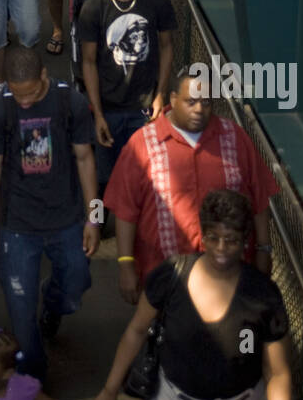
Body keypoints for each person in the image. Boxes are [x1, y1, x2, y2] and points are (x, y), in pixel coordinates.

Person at [88, 190, 292, 400]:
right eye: (213, 237)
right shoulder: (171, 276)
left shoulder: (263, 295)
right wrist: (109, 391)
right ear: (202, 235)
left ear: (245, 241)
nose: (221, 248)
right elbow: (136, 330)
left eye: (231, 240)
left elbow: (278, 372)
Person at [0, 47, 100, 384]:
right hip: (19, 225)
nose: (25, 102)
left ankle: (54, 302)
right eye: (18, 94)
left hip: (66, 219)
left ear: (45, 76)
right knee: (20, 310)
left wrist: (94, 218)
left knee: (76, 284)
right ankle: (32, 377)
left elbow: (86, 159)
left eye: (30, 93)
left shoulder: (70, 103)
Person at [105, 68, 278, 299]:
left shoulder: (235, 138)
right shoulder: (142, 144)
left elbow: (260, 197)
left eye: (206, 102)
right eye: (191, 101)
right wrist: (125, 264)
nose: (199, 109)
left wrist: (264, 250)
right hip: (165, 279)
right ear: (173, 99)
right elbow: (126, 210)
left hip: (228, 279)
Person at [78, 0, 177, 190]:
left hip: (144, 109)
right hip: (107, 109)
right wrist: (97, 113)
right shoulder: (93, 8)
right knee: (102, 182)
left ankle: (135, 230)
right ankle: (97, 226)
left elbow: (167, 47)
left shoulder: (157, 1)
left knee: (143, 179)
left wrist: (160, 96)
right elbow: (88, 62)